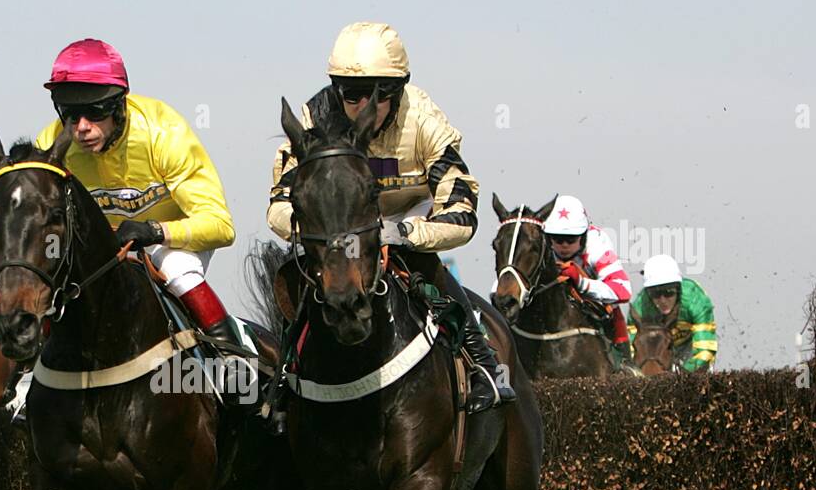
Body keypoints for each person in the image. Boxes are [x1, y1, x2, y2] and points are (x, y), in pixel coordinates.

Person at [267, 22, 514, 412]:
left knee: (428, 269)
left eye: (378, 94)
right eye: (351, 93)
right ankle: (284, 379)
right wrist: (329, 232)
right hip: (340, 224)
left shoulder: (426, 121)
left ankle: (484, 365)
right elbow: (279, 206)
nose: (362, 107)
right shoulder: (313, 117)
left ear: (397, 91)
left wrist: (400, 233)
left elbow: (463, 215)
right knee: (302, 277)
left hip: (407, 214)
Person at [34, 39, 249, 353]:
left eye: (95, 112)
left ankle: (233, 359)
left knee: (177, 270)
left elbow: (220, 226)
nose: (81, 128)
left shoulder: (165, 133)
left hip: (170, 240)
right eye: (70, 114)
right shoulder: (53, 144)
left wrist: (154, 231)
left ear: (120, 103)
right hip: (103, 251)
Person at [541, 194, 633, 365]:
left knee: (613, 307)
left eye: (571, 239)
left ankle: (626, 364)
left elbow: (624, 290)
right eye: (558, 238)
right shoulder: (541, 247)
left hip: (596, 312)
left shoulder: (597, 244)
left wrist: (582, 282)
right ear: (547, 237)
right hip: (551, 313)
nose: (564, 245)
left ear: (583, 235)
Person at [628, 254, 718, 371]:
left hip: (690, 345)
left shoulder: (696, 300)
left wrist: (684, 374)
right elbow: (630, 350)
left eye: (669, 292)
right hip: (658, 349)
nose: (663, 300)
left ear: (678, 289)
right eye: (655, 294)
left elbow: (705, 350)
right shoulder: (639, 307)